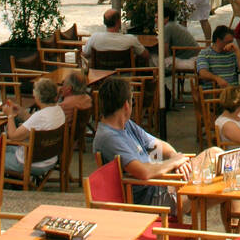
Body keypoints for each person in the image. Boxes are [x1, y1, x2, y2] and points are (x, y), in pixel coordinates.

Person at [93, 75, 220, 209]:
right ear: (126, 105)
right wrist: (174, 163)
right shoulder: (109, 138)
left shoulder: (126, 125)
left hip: (163, 185)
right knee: (228, 182)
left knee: (217, 156)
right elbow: (143, 172)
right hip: (153, 200)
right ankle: (237, 225)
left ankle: (238, 227)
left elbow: (158, 145)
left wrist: (174, 157)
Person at [3, 77, 66, 178]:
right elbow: (37, 123)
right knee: (2, 147)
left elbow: (13, 136)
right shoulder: (58, 110)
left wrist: (10, 115)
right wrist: (22, 112)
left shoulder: (40, 116)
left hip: (31, 162)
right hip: (50, 158)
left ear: (38, 96)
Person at [83, 8, 150, 64]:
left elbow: (84, 55)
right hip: (125, 76)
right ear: (118, 22)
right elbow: (145, 55)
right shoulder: (130, 39)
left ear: (104, 22)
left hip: (100, 75)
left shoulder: (95, 38)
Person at [196, 25, 240, 90]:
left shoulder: (233, 53)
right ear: (218, 40)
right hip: (214, 92)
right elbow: (203, 73)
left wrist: (238, 51)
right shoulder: (205, 53)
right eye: (228, 42)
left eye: (231, 42)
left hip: (232, 92)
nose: (231, 45)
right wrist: (217, 78)